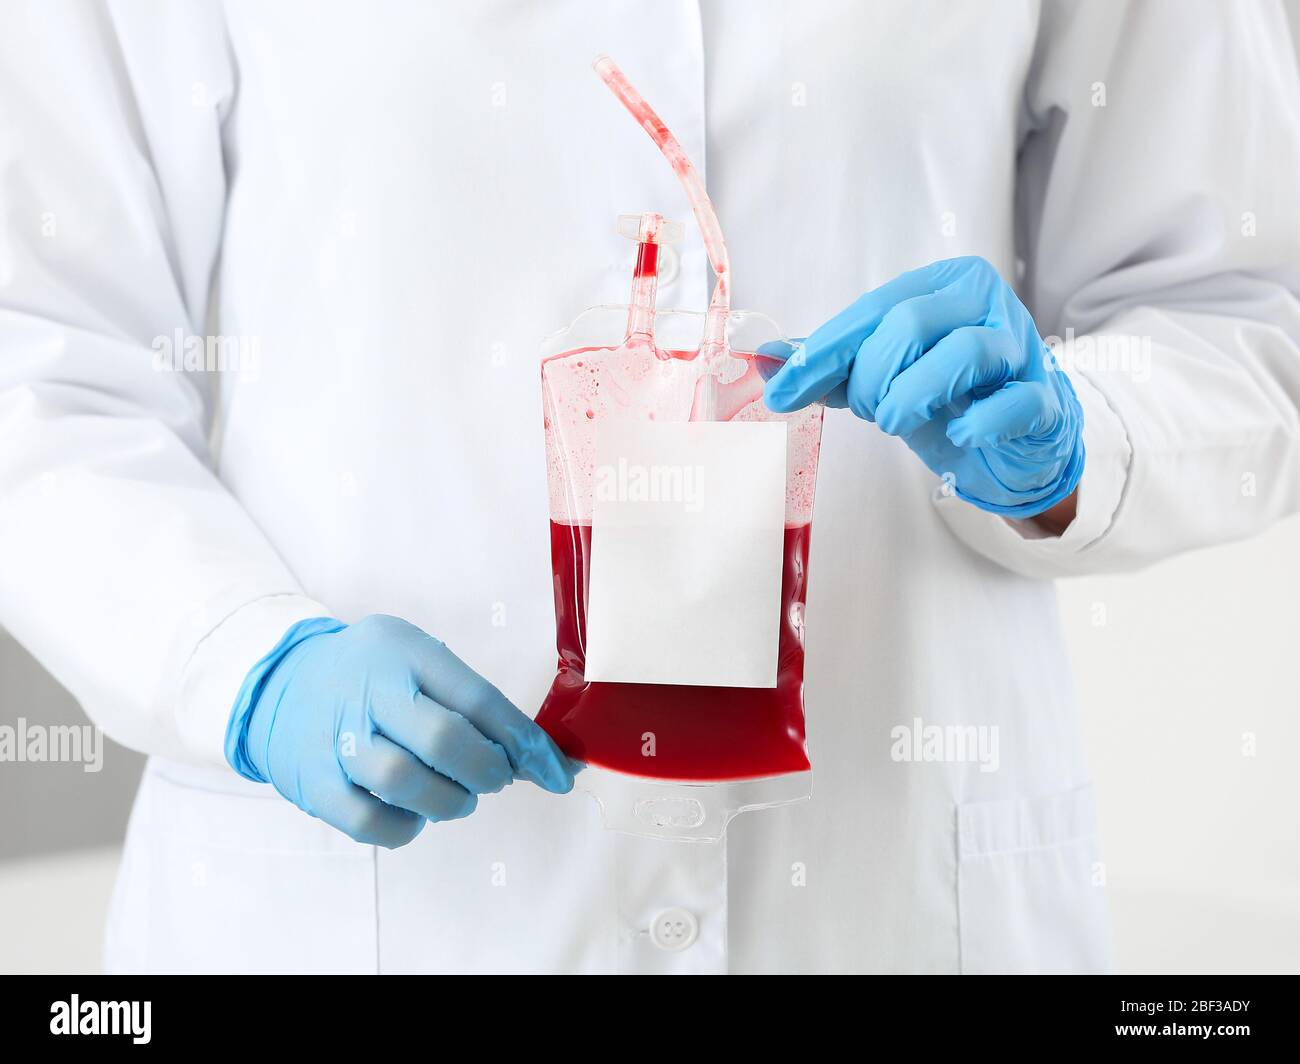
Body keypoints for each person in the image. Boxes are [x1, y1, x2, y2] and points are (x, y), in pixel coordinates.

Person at [1, 0, 1298, 975]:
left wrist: (1079, 437)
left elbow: (1244, 306)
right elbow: (39, 354)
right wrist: (248, 662)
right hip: (366, 919)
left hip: (884, 900)